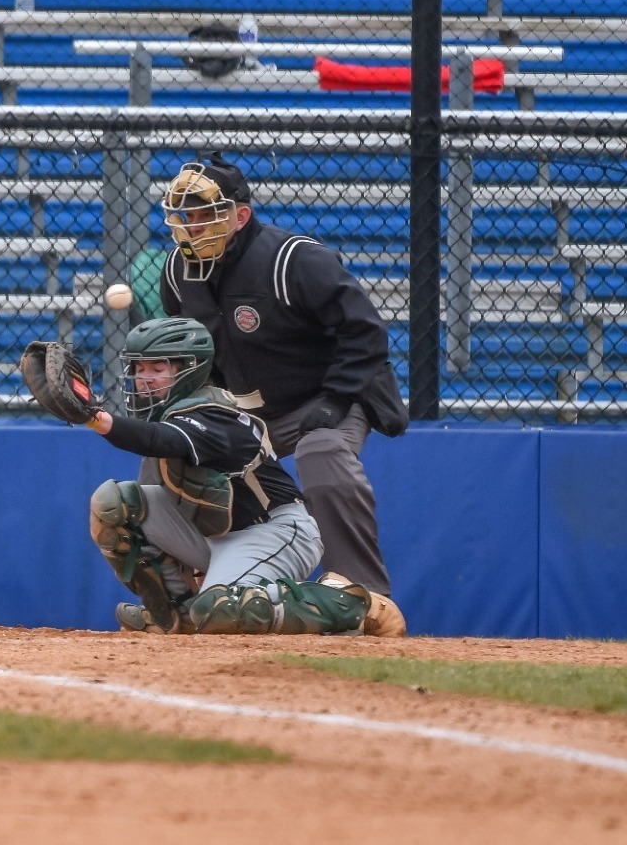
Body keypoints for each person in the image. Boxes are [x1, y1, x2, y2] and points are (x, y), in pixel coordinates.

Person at [157, 152, 409, 597]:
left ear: (240, 216)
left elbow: (365, 331)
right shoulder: (178, 272)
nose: (191, 226)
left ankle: (360, 591)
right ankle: (183, 590)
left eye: (204, 215)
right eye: (184, 216)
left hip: (324, 398)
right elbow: (192, 357)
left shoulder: (293, 260)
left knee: (321, 452)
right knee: (170, 452)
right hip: (245, 409)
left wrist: (334, 398)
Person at [84, 317, 404, 636]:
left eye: (158, 369)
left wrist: (96, 418)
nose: (145, 379)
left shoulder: (212, 413)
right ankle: (174, 615)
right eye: (140, 369)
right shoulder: (171, 416)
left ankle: (351, 604)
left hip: (276, 532)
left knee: (220, 610)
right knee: (115, 505)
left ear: (190, 369)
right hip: (218, 534)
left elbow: (159, 439)